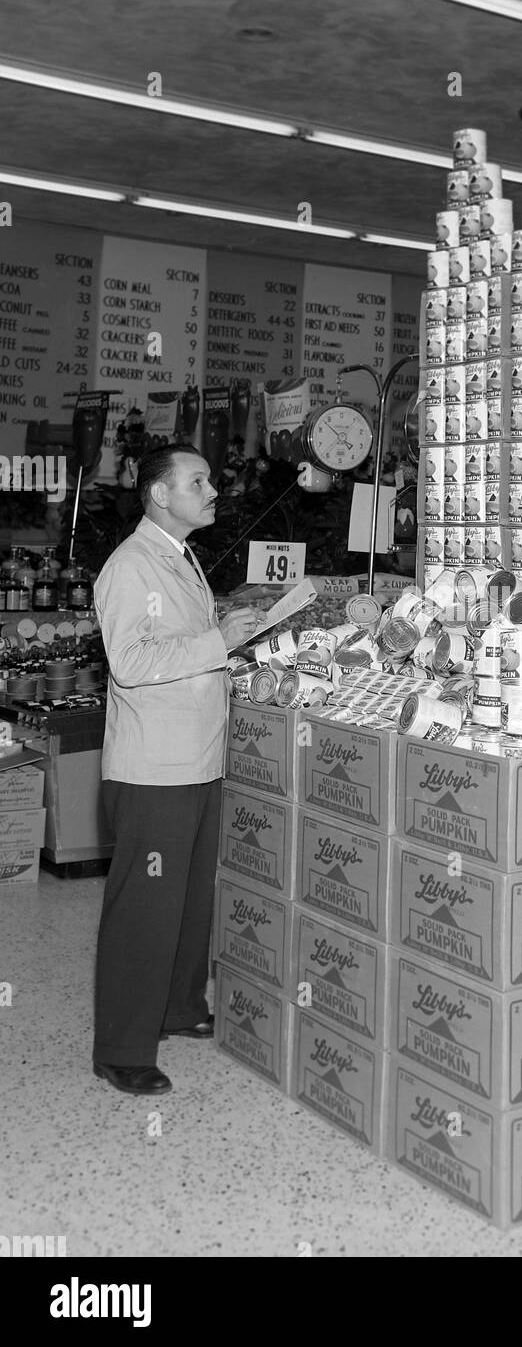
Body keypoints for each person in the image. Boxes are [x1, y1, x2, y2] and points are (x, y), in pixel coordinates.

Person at [91, 444, 262, 1095]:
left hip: (196, 759)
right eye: (198, 481)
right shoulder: (130, 566)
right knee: (146, 907)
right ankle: (123, 1047)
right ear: (161, 495)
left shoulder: (181, 557)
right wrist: (218, 641)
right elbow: (132, 662)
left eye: (212, 479)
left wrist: (228, 636)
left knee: (190, 899)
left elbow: (182, 643)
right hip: (152, 770)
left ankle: (179, 1006)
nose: (212, 489)